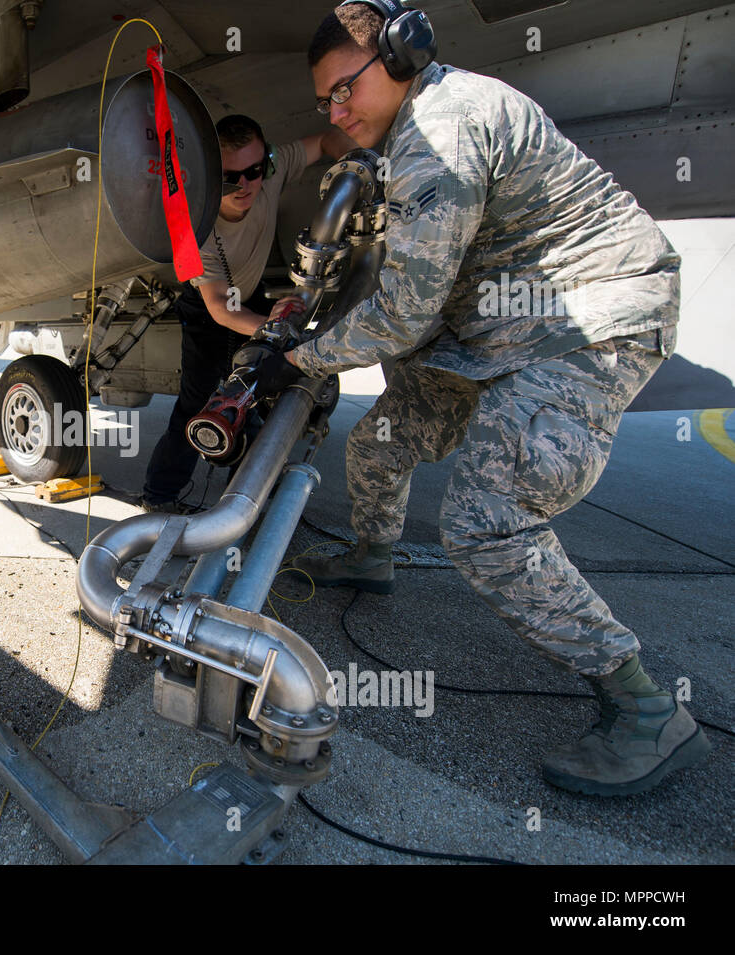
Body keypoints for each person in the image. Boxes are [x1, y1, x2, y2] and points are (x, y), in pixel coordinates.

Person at [264, 0, 710, 795]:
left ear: (398, 59)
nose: (335, 111)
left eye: (345, 89)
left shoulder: (444, 134)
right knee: (381, 441)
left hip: (588, 320)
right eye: (324, 101)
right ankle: (371, 556)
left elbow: (403, 312)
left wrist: (300, 356)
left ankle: (645, 707)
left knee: (485, 519)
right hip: (506, 328)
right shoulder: (412, 130)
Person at [141, 114, 356, 512]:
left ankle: (248, 498)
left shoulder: (271, 172)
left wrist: (359, 169)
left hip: (251, 296)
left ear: (267, 164)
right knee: (201, 404)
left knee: (257, 396)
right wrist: (272, 329)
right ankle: (159, 496)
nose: (244, 186)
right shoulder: (197, 224)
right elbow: (220, 306)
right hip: (210, 310)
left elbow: (327, 139)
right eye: (230, 177)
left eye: (254, 171)